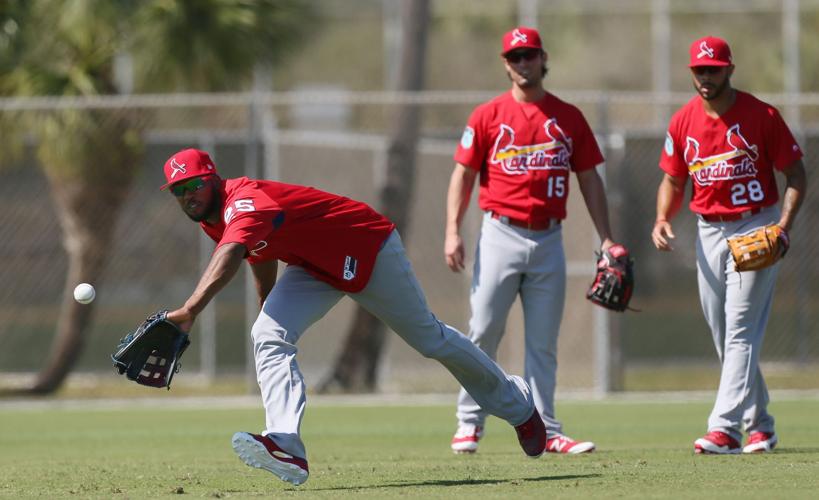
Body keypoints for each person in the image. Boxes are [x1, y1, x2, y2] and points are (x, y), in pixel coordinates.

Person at [159, 148, 549, 486]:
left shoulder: (244, 201)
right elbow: (259, 252)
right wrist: (268, 303)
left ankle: (518, 406)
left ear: (213, 178)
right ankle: (285, 443)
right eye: (179, 191)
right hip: (313, 266)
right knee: (267, 332)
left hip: (366, 246)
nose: (188, 195)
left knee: (431, 340)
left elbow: (233, 253)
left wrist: (190, 310)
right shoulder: (215, 219)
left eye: (194, 184)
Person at [445, 26, 622, 455]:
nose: (523, 63)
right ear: (506, 64)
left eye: (530, 55)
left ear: (544, 59)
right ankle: (470, 421)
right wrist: (452, 229)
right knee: (483, 329)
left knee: (542, 342)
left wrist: (608, 239)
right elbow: (463, 175)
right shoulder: (487, 115)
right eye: (515, 56)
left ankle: (547, 428)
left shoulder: (567, 116)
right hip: (500, 232)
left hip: (548, 239)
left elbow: (589, 180)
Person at [652, 36, 806, 454]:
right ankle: (762, 424)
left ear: (729, 69)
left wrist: (783, 227)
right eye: (700, 70)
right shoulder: (683, 121)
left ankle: (724, 429)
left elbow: (796, 175)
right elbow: (672, 178)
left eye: (714, 68)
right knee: (723, 333)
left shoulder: (761, 115)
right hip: (708, 230)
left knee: (740, 328)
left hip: (755, 224)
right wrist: (663, 217)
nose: (706, 76)